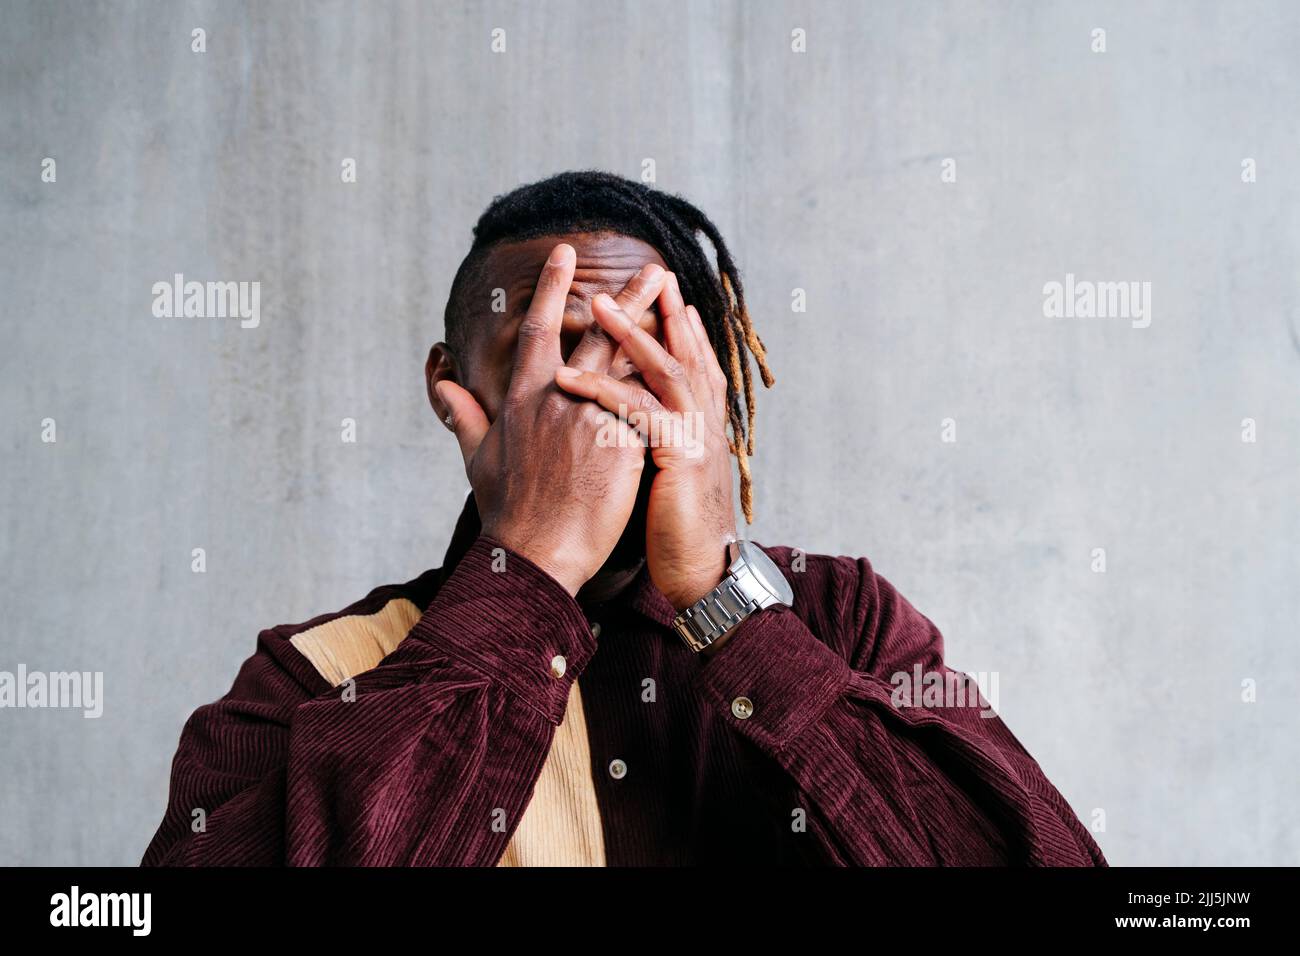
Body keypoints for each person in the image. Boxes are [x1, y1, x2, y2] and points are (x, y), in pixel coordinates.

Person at [142, 171, 1105, 866]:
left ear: (707, 384)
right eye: (550, 352)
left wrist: (728, 609)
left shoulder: (840, 621)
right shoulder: (314, 675)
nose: (600, 401)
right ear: (452, 385)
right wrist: (530, 563)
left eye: (638, 353)